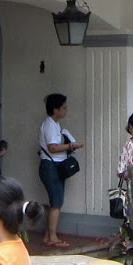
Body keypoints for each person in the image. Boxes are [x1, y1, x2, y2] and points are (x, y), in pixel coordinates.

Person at [37, 92, 84, 248]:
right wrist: (71, 146)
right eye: (63, 107)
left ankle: (48, 235)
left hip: (54, 166)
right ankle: (52, 237)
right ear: (55, 109)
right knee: (56, 203)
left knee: (55, 202)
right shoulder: (50, 125)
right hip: (51, 166)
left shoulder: (55, 124)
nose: (66, 110)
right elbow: (53, 147)